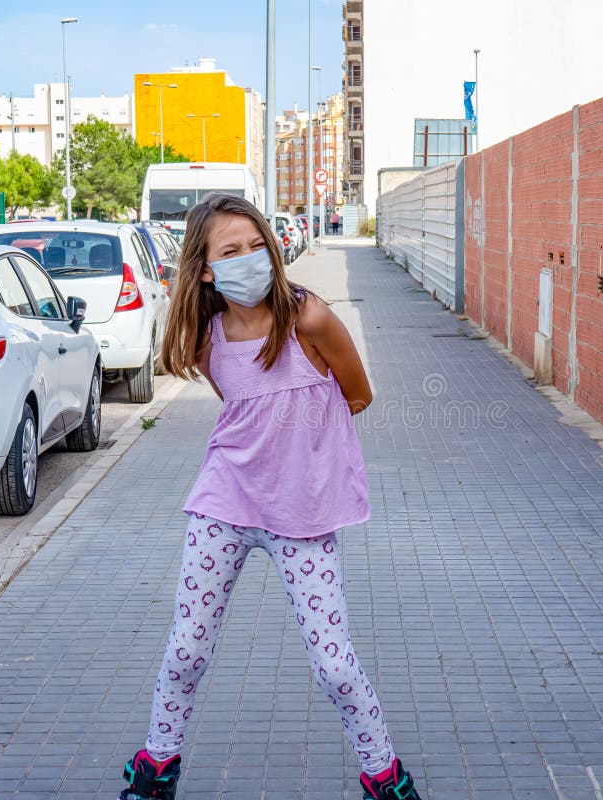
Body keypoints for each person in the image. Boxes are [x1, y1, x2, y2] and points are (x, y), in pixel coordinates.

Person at [118, 193, 423, 800]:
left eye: (257, 245)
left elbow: (358, 394)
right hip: (224, 502)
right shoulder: (206, 338)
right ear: (206, 269)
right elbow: (239, 406)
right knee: (186, 651)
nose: (250, 258)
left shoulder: (309, 318)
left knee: (335, 665)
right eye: (231, 251)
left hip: (301, 514)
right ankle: (155, 771)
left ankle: (384, 776)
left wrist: (308, 447)